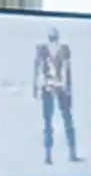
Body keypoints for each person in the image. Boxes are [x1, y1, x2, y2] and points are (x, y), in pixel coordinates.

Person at [34, 27, 80, 165]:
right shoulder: (47, 50)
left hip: (55, 87)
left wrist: (37, 88)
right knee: (59, 121)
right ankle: (62, 153)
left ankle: (53, 154)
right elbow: (64, 70)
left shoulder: (54, 49)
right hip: (55, 87)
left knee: (56, 121)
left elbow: (39, 70)